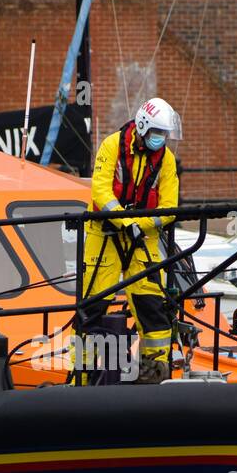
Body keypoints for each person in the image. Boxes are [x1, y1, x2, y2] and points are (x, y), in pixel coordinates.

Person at [81, 97, 182, 384]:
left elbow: (169, 207)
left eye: (165, 135)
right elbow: (100, 191)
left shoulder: (166, 160)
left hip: (144, 240)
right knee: (93, 307)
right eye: (157, 134)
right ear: (142, 127)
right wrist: (126, 223)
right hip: (105, 236)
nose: (161, 140)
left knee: (153, 307)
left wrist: (140, 225)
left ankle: (157, 374)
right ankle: (84, 377)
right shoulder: (112, 146)